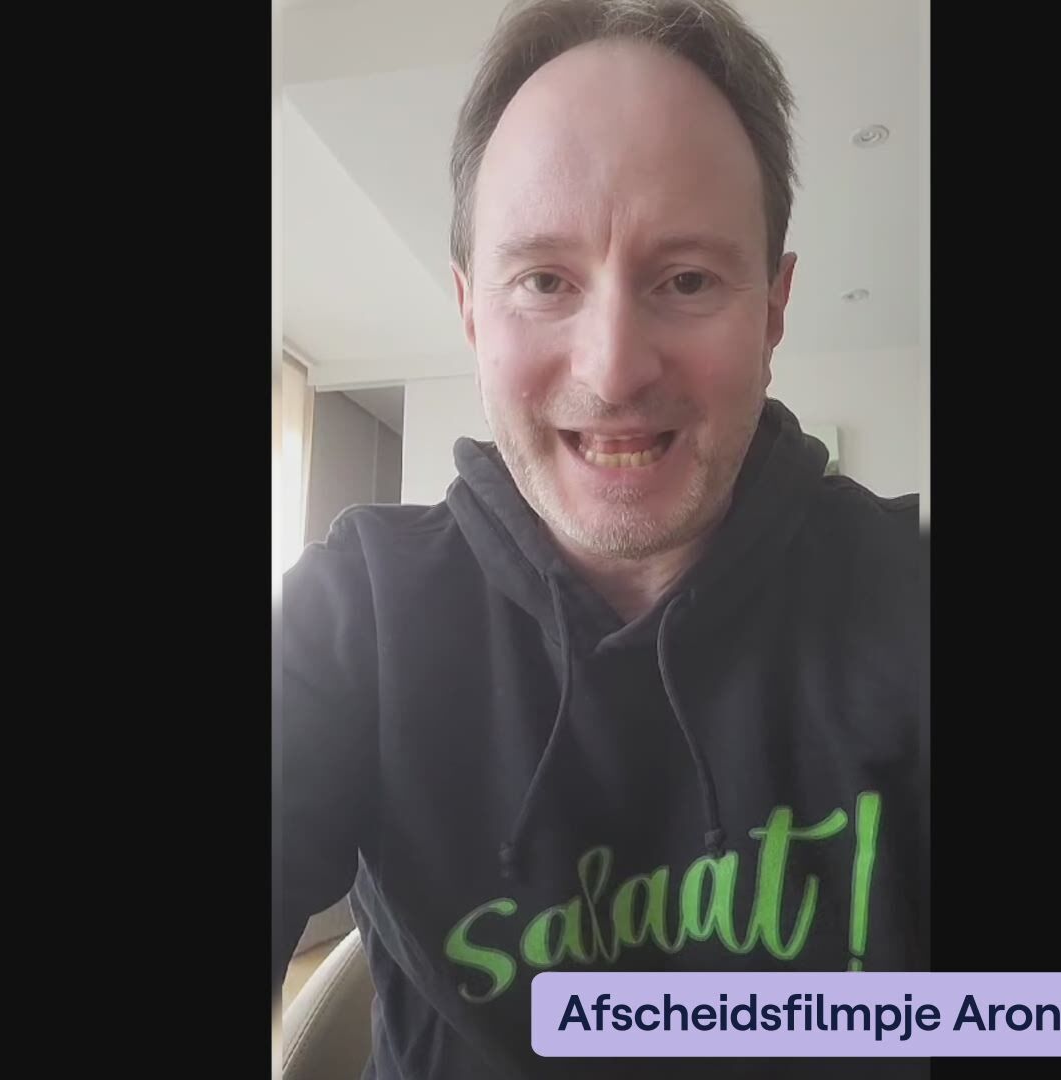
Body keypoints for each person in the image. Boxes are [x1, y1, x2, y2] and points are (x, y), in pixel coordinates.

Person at [274, 1, 926, 1075]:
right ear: (472, 312)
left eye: (687, 279)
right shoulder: (355, 617)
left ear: (773, 309)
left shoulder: (909, 599)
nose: (615, 368)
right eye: (544, 281)